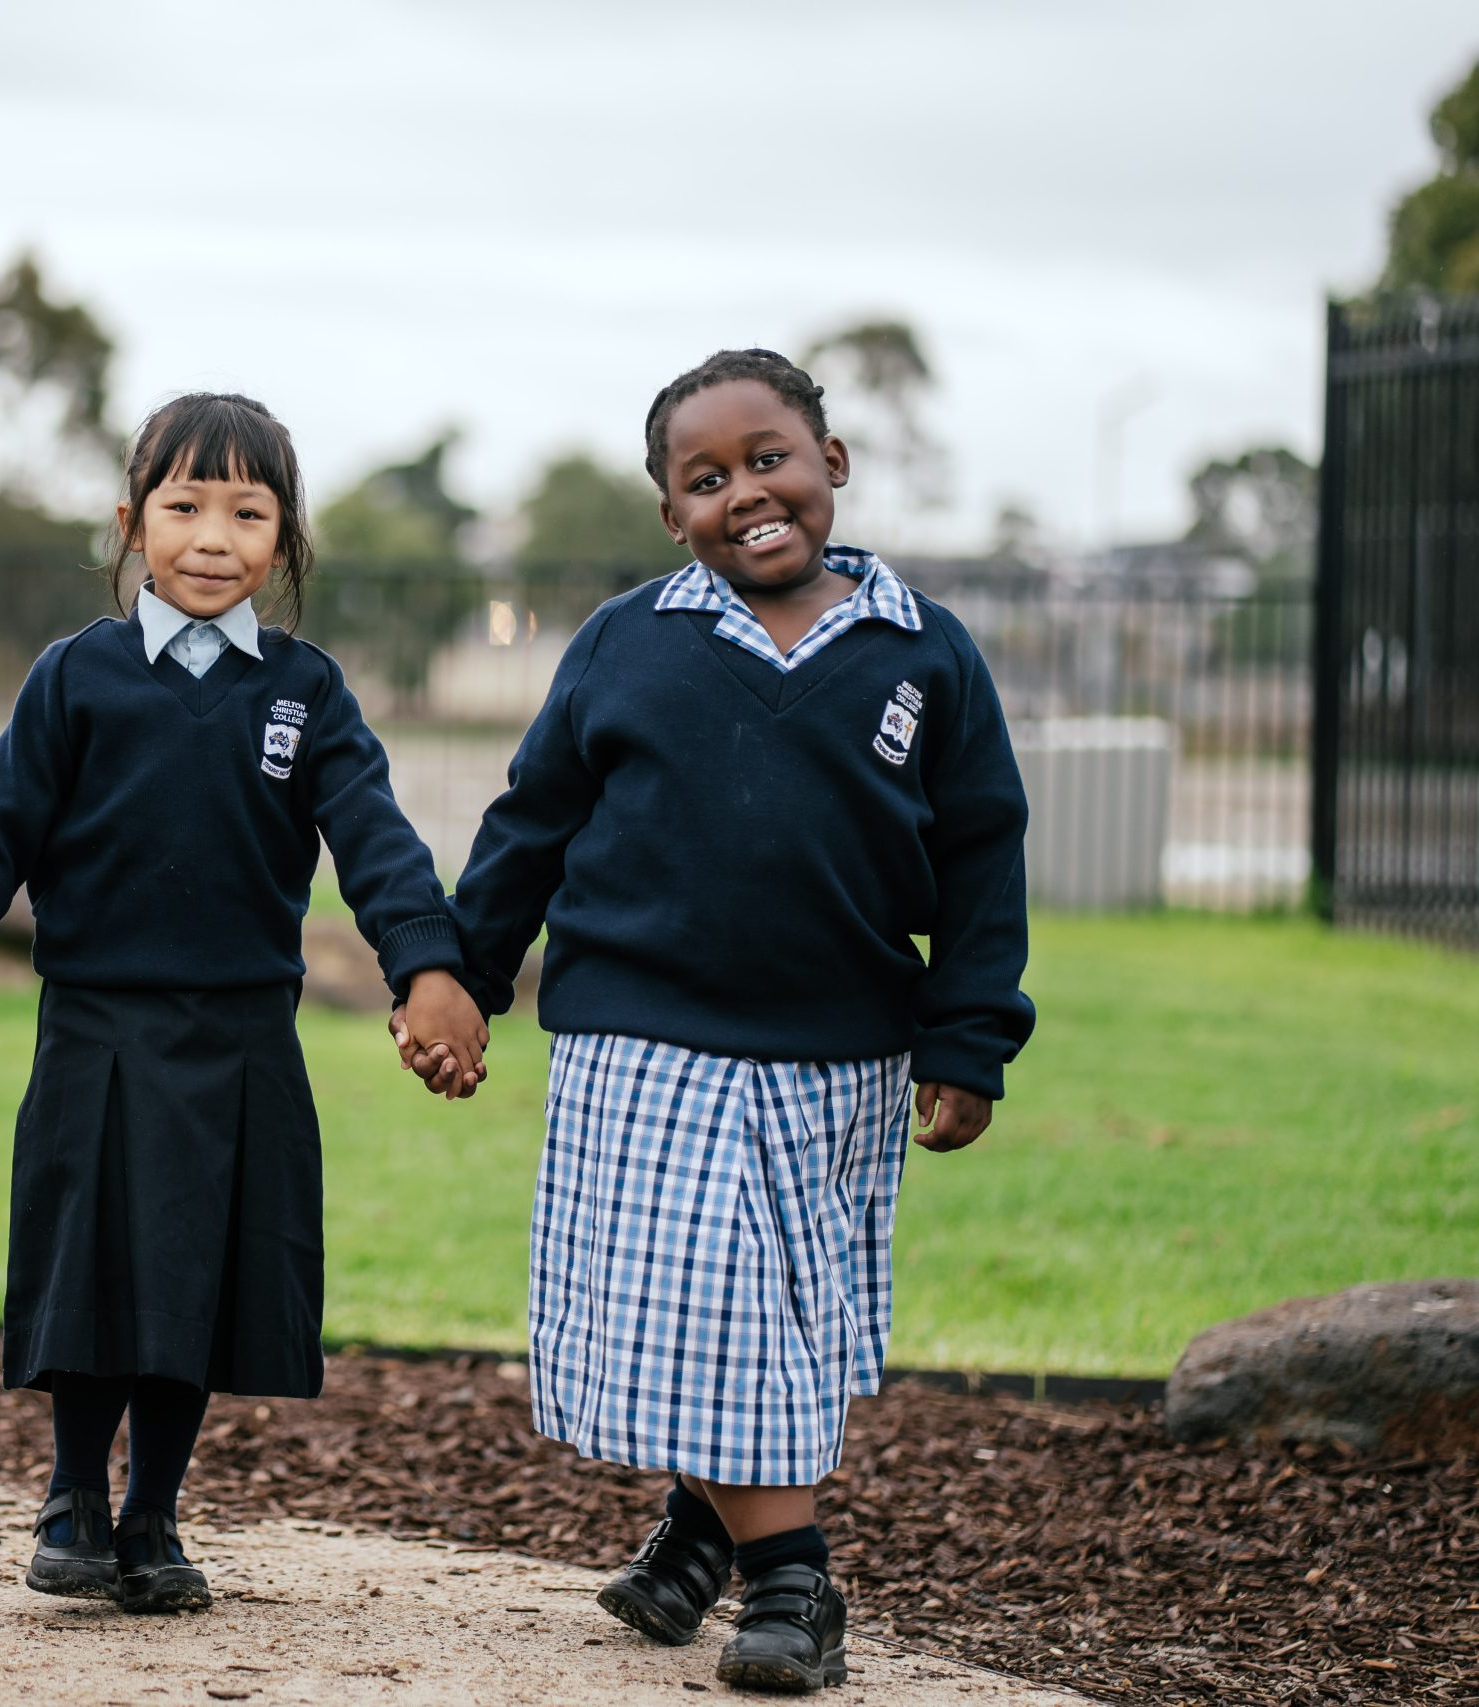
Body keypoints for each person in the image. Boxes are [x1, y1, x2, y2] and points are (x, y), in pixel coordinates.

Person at [407, 349, 1033, 1692]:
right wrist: (463, 973)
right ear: (669, 513)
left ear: (833, 465)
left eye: (771, 459)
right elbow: (533, 819)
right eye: (706, 478)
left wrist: (969, 1030)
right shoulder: (631, 638)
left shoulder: (926, 651)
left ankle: (698, 1532)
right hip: (645, 1034)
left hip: (845, 1047)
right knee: (715, 1289)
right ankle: (794, 1580)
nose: (747, 491)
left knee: (773, 1315)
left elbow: (984, 850)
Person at [0, 392, 490, 1613]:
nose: (214, 535)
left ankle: (153, 1514)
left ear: (285, 540)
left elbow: (372, 838)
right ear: (130, 522)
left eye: (247, 512)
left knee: (192, 1280)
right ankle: (71, 1501)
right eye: (185, 505)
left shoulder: (306, 694)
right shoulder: (75, 680)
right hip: (96, 1025)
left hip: (242, 1036)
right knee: (91, 1270)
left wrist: (430, 967)